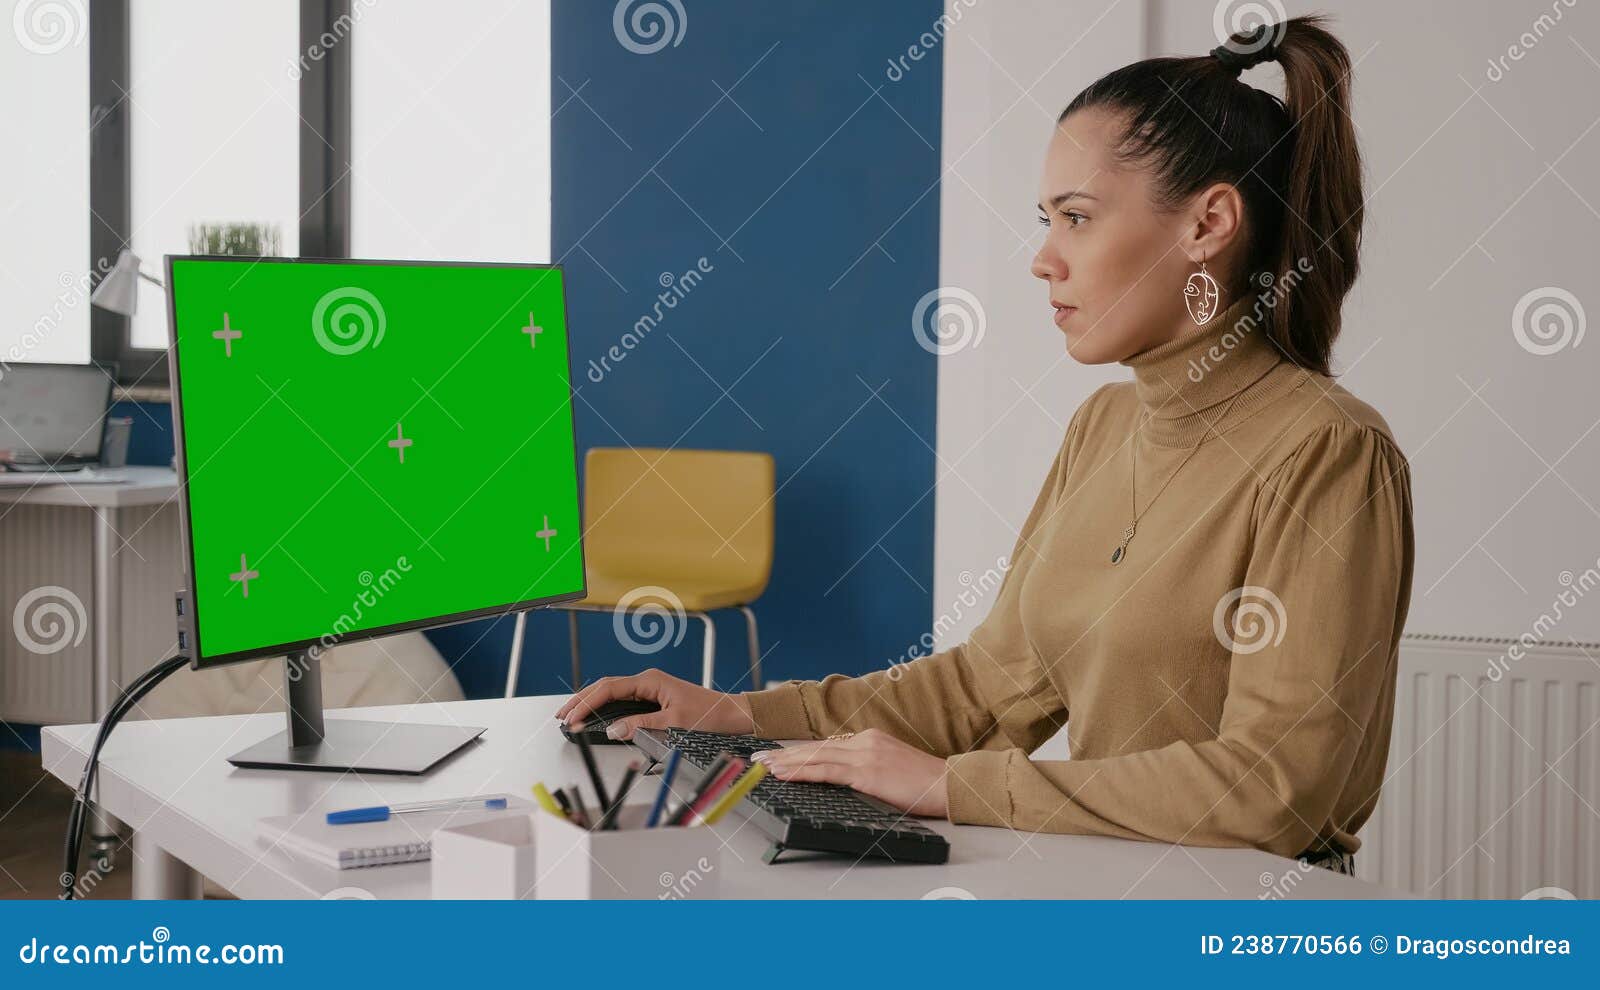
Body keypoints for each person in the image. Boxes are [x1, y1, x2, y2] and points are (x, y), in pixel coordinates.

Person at [556, 15, 1413, 873]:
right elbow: (986, 686)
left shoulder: (1329, 451)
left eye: (1076, 218)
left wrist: (951, 786)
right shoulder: (1104, 426)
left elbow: (1273, 789)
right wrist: (739, 716)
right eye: (1046, 220)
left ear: (1209, 223)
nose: (1043, 258)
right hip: (1111, 885)